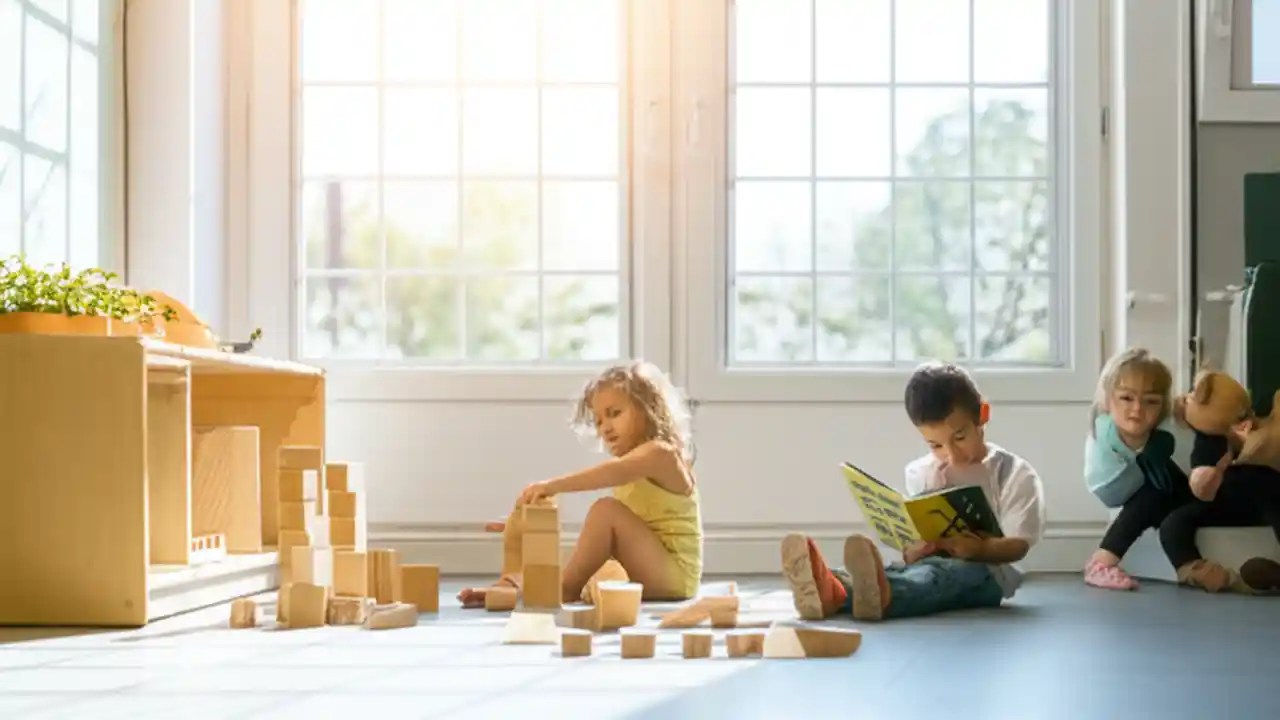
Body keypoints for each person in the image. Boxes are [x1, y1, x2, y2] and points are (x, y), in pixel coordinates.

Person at [781, 362, 1045, 620]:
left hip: (986, 575)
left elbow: (1018, 546)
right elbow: (916, 538)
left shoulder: (1014, 473)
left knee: (942, 578)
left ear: (982, 415)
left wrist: (979, 549)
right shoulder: (922, 472)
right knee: (904, 572)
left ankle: (867, 595)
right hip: (928, 566)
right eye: (935, 445)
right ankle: (833, 585)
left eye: (960, 437)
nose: (951, 454)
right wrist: (913, 549)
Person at [457, 360, 704, 607]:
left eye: (614, 414)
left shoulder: (661, 454)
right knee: (589, 563)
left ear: (649, 408)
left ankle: (563, 590)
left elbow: (612, 473)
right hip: (650, 566)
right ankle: (521, 587)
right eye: (598, 421)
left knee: (605, 511)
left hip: (675, 575)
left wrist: (552, 485)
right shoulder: (634, 463)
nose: (605, 428)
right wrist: (522, 521)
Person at [1082, 348, 1195, 590]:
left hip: (1135, 477)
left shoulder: (1149, 426)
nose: (1137, 410)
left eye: (1151, 401)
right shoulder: (1106, 427)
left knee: (1171, 479)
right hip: (1112, 483)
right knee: (1158, 488)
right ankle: (1102, 561)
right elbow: (1138, 450)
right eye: (1126, 398)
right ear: (1108, 399)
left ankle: (1194, 512)